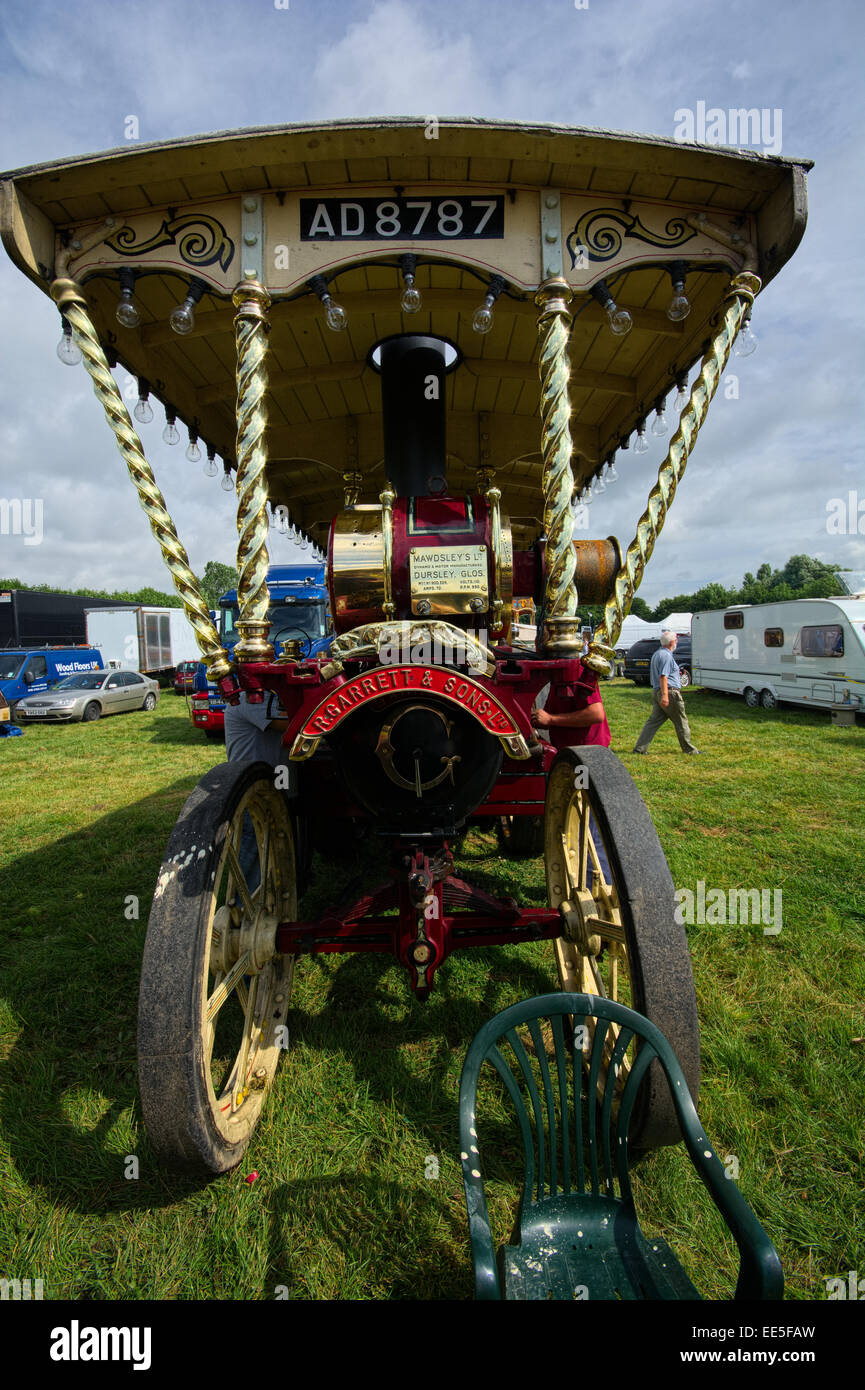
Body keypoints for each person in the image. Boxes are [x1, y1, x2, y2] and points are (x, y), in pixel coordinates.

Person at [531, 658, 611, 879]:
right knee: (571, 818)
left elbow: (596, 713)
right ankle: (578, 877)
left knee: (586, 821)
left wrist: (551, 720)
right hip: (570, 757)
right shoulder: (556, 677)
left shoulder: (578, 672)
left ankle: (597, 881)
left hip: (586, 758)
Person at [224, 689, 296, 892]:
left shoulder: (266, 697)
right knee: (253, 842)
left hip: (276, 785)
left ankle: (281, 889)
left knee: (278, 839)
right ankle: (242, 902)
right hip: (254, 791)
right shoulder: (250, 698)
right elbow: (289, 724)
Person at [632, 631, 700, 755]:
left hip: (657, 691)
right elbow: (663, 676)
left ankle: (640, 748)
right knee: (681, 722)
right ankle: (690, 750)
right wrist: (665, 696)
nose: (677, 643)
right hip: (668, 692)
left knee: (653, 722)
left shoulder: (658, 654)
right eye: (676, 640)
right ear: (672, 642)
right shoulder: (666, 656)